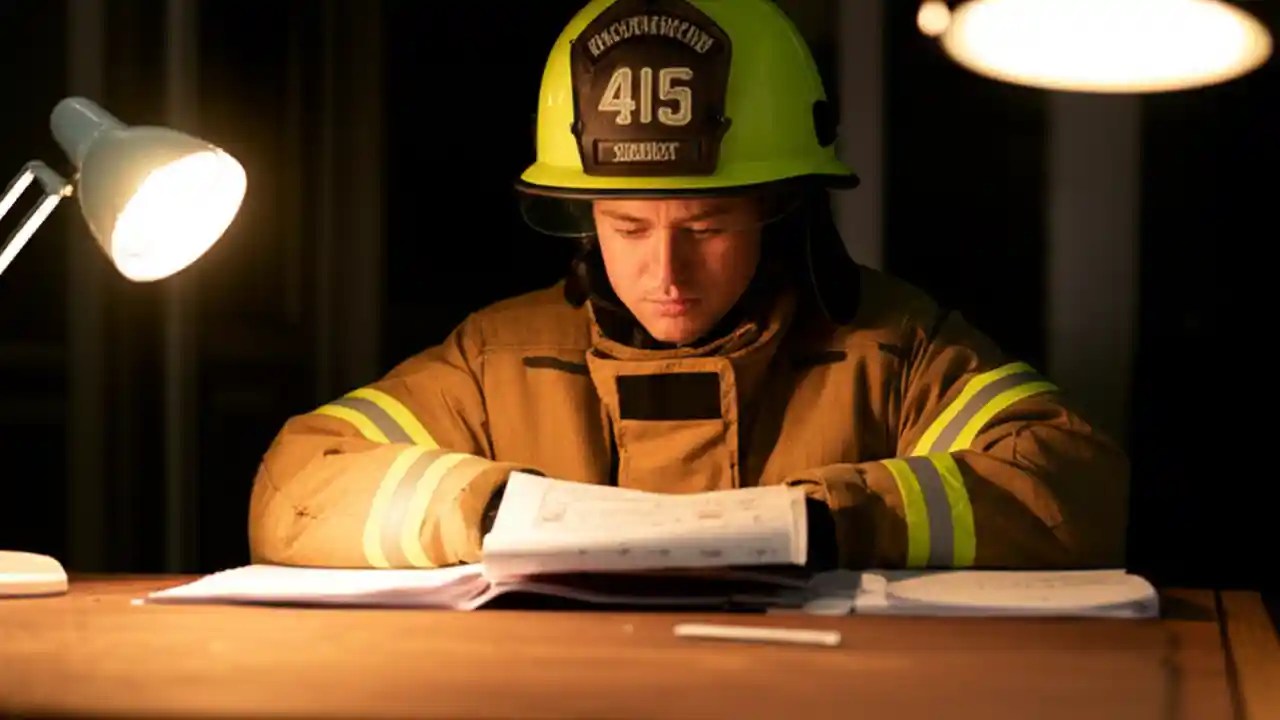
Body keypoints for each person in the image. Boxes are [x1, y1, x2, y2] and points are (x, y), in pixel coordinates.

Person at [248, 0, 1129, 572]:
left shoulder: (890, 350)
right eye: (627, 229)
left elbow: (1076, 489)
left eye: (706, 229)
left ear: (782, 213)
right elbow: (295, 487)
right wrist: (495, 512)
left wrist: (829, 521)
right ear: (583, 216)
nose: (664, 274)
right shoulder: (497, 361)